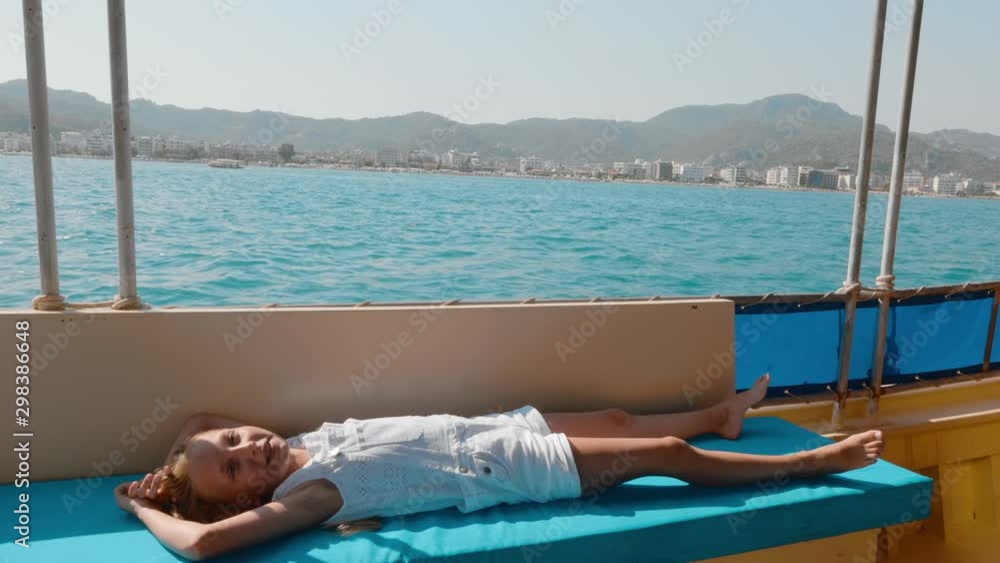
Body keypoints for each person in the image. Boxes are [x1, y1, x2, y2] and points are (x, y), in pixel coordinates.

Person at [114, 374, 884, 560]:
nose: (250, 445)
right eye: (235, 466)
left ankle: (726, 418)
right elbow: (202, 545)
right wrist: (151, 506)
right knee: (667, 457)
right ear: (239, 498)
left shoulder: (299, 440)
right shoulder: (313, 493)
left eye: (243, 437)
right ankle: (815, 460)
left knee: (619, 419)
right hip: (518, 467)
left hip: (490, 427)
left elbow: (196, 428)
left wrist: (178, 466)